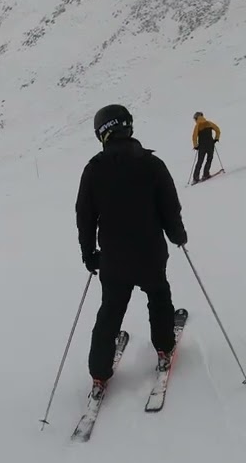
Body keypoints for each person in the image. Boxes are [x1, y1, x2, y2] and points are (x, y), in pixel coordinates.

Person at [76, 104, 188, 395]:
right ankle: (164, 348)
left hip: (114, 258)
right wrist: (177, 235)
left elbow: (85, 217)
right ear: (129, 128)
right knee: (159, 297)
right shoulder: (152, 164)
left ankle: (99, 373)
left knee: (110, 311)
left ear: (102, 134)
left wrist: (89, 254)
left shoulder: (94, 170)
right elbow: (169, 207)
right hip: (151, 252)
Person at [190, 111, 221, 183]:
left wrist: (196, 146)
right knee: (209, 159)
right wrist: (216, 138)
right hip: (210, 144)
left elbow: (194, 136)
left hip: (202, 146)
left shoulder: (197, 126)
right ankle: (206, 174)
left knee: (200, 161)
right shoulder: (209, 123)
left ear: (196, 118)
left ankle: (196, 178)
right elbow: (218, 130)